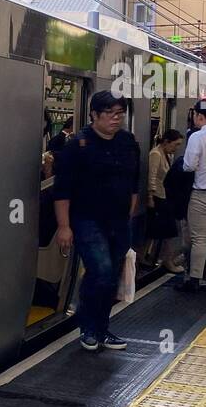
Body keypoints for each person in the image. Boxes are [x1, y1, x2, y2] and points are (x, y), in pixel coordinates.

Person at [53, 91, 139, 352]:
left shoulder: (127, 142)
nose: (116, 119)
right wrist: (64, 226)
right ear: (94, 115)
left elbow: (134, 182)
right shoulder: (77, 145)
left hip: (119, 221)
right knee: (100, 271)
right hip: (87, 220)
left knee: (110, 276)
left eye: (120, 114)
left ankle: (102, 329)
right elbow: (62, 190)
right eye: (110, 114)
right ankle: (87, 328)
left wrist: (129, 214)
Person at [145, 129, 185, 273]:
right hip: (157, 197)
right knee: (168, 231)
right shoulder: (156, 154)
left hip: (163, 197)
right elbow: (152, 176)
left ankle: (152, 258)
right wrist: (150, 197)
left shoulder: (165, 154)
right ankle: (166, 261)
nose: (176, 148)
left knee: (160, 231)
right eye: (175, 144)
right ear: (167, 142)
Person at [181, 101, 206, 291]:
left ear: (199, 116)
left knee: (199, 239)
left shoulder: (197, 137)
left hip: (201, 194)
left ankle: (195, 278)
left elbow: (189, 166)